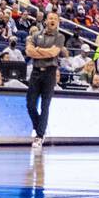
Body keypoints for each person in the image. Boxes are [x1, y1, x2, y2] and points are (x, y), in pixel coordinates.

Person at [25, 12, 66, 146]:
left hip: (50, 73)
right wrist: (44, 52)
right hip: (36, 72)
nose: (53, 20)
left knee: (45, 105)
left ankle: (39, 135)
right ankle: (39, 129)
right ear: (46, 21)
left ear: (58, 21)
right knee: (30, 104)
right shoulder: (36, 35)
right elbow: (28, 52)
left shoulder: (60, 37)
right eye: (50, 18)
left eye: (55, 18)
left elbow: (54, 53)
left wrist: (37, 50)